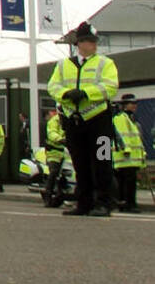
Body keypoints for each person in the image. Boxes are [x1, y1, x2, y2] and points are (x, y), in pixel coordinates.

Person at [48, 21, 119, 217]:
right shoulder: (63, 65)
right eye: (89, 41)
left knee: (103, 160)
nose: (93, 45)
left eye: (94, 41)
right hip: (74, 121)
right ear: (79, 43)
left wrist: (86, 93)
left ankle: (104, 202)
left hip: (99, 120)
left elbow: (111, 87)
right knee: (80, 163)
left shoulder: (105, 63)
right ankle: (84, 202)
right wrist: (66, 94)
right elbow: (53, 87)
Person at [112, 93, 146, 213]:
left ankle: (125, 203)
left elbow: (136, 139)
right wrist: (126, 149)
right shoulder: (121, 118)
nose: (135, 106)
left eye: (135, 103)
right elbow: (122, 136)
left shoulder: (131, 120)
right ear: (125, 105)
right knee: (127, 183)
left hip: (132, 158)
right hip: (125, 157)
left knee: (127, 182)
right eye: (132, 103)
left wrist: (142, 154)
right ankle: (129, 204)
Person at [41, 108, 67, 208]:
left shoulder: (71, 119)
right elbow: (51, 133)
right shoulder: (54, 121)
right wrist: (60, 139)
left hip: (67, 151)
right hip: (54, 151)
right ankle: (48, 196)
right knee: (54, 172)